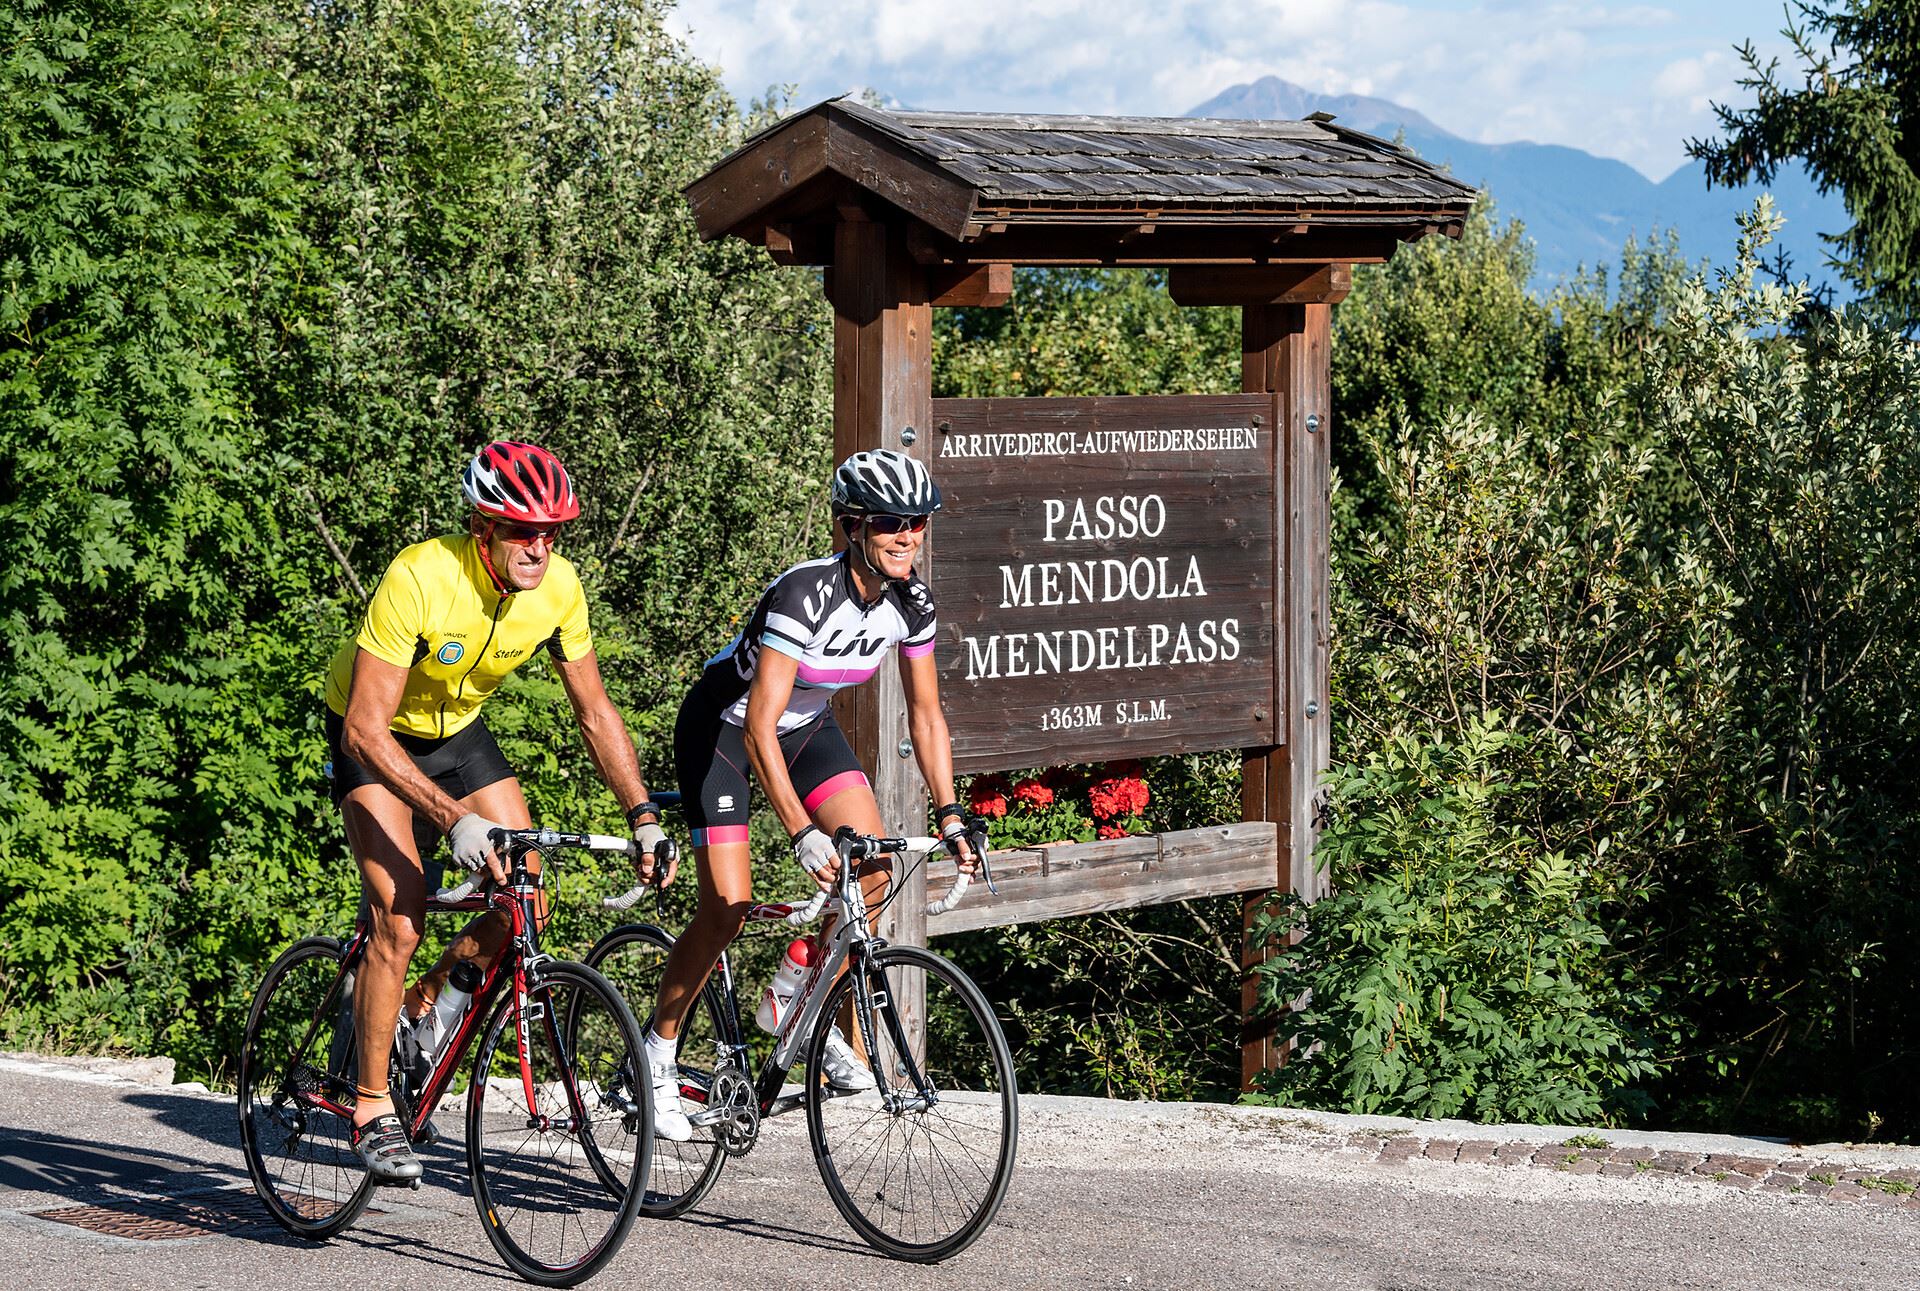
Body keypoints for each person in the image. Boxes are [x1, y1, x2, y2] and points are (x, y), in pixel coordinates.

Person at [324, 440, 672, 1183]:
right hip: (375, 735)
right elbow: (364, 726)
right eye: (521, 531)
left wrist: (642, 811)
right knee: (403, 911)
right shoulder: (421, 576)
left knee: (527, 899)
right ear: (482, 527)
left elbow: (594, 710)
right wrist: (452, 818)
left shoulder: (561, 589)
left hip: (457, 733)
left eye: (552, 533)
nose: (539, 548)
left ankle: (432, 999)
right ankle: (370, 1101)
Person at [643, 448, 981, 1141]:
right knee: (728, 905)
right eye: (891, 521)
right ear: (853, 525)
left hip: (806, 728)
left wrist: (950, 810)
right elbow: (759, 723)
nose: (907, 535)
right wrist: (801, 831)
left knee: (876, 870)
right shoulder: (804, 593)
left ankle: (792, 1000)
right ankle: (655, 1052)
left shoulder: (911, 601)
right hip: (728, 730)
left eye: (918, 521)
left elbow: (926, 714)